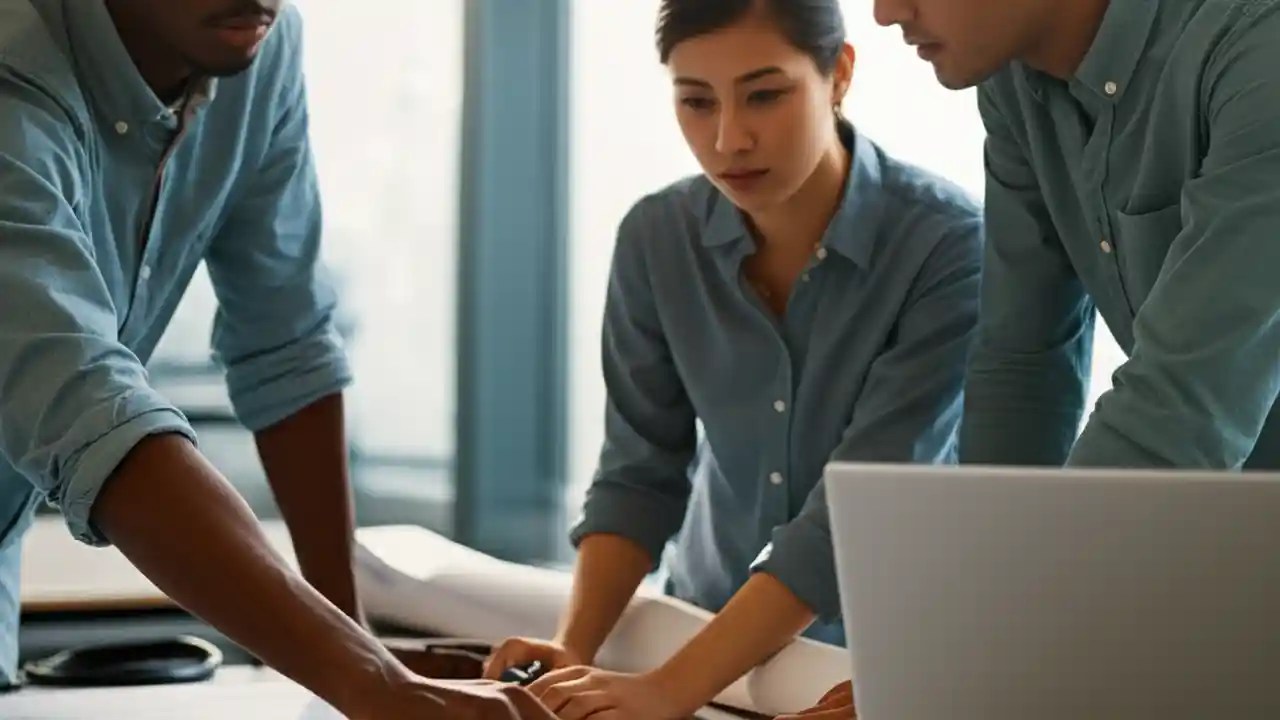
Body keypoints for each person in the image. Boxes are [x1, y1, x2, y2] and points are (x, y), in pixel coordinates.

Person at [0, 1, 552, 717]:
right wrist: (372, 681)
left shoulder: (253, 43)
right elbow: (84, 407)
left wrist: (360, 648)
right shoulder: (15, 66)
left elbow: (286, 338)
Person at [482, 0, 985, 717]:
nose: (728, 139)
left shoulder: (948, 247)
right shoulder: (657, 239)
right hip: (694, 639)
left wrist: (669, 690)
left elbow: (853, 515)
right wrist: (573, 646)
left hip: (865, 670)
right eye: (696, 102)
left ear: (839, 74)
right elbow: (639, 474)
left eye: (765, 95)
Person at [786, 0, 1280, 715]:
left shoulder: (1258, 47)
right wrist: (960, 652)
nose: (887, 12)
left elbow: (1183, 406)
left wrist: (972, 662)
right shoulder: (1016, 83)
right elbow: (1022, 366)